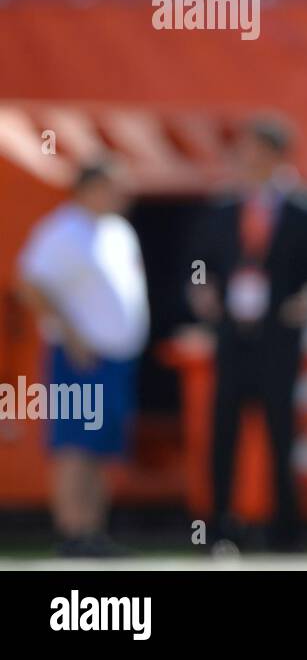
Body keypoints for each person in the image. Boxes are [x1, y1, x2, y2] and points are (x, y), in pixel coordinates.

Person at [186, 116, 307, 552]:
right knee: (223, 431)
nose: (245, 158)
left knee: (280, 431)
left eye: (253, 149)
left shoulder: (305, 208)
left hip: (278, 337)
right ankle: (220, 529)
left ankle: (285, 530)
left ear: (274, 154)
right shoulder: (223, 207)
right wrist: (201, 291)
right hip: (231, 336)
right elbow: (198, 265)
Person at [15, 156, 149, 557]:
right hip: (79, 356)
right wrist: (71, 334)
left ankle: (93, 531)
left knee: (102, 445)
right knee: (75, 443)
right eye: (112, 185)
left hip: (116, 356)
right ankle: (72, 532)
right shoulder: (62, 230)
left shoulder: (117, 230)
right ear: (87, 188)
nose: (122, 195)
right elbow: (29, 283)